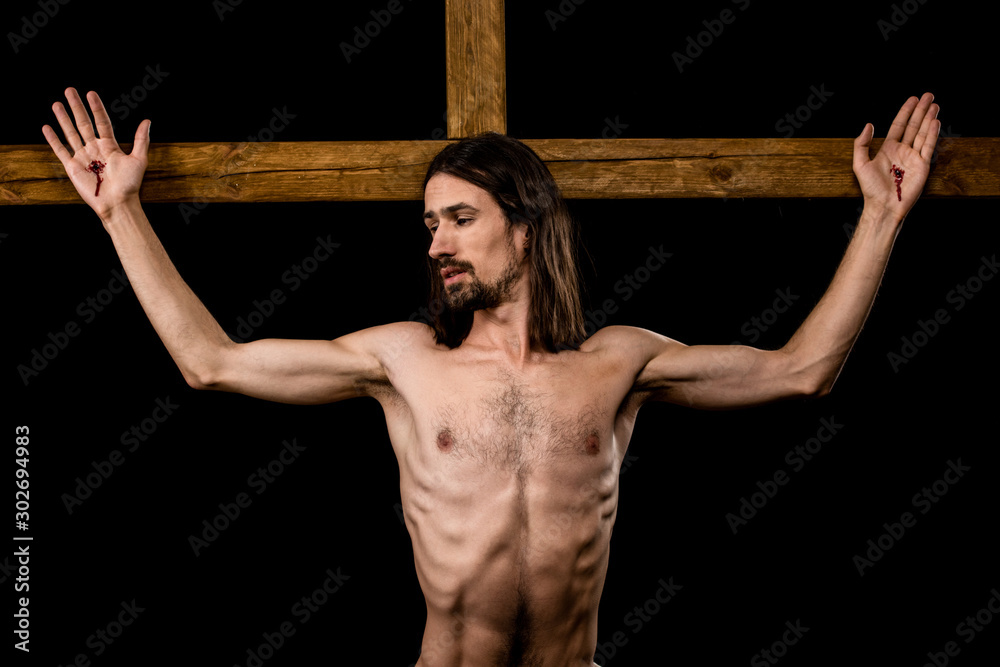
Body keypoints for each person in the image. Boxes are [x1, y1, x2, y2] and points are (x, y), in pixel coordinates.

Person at [43, 87, 940, 666]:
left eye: (459, 218)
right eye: (428, 223)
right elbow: (211, 362)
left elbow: (803, 370)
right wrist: (120, 211)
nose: (435, 244)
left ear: (525, 224)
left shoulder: (620, 362)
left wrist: (882, 216)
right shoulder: (403, 361)